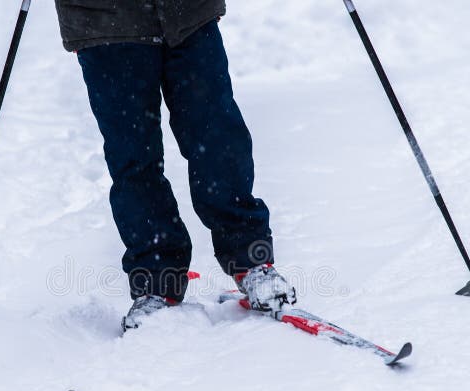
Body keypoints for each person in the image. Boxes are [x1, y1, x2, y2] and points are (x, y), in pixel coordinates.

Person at [54, 1, 297, 330]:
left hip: (188, 11)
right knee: (134, 156)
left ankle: (250, 262)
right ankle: (157, 282)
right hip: (104, 20)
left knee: (217, 137)